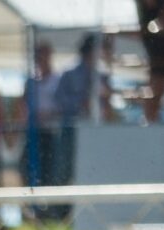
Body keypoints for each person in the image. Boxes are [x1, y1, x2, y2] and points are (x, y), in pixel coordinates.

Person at [54, 35, 105, 189]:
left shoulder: (102, 75)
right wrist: (81, 104)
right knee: (65, 166)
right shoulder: (70, 74)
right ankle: (60, 209)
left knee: (92, 166)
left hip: (95, 129)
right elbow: (60, 100)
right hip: (72, 128)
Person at [24, 42, 63, 190]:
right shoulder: (31, 82)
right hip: (34, 132)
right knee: (30, 167)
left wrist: (48, 115)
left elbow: (62, 106)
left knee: (51, 168)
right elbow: (23, 104)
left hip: (52, 132)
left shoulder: (58, 79)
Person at [143, 0, 164, 123]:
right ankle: (151, 121)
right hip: (160, 53)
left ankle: (151, 120)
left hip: (160, 51)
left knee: (155, 93)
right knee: (154, 94)